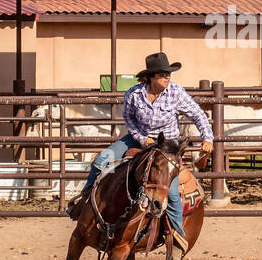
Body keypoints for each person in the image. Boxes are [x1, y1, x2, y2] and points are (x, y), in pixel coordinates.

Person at [68, 53, 213, 246]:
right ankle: (84, 202)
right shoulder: (134, 95)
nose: (167, 77)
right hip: (139, 139)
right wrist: (142, 138)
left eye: (169, 74)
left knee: (170, 190)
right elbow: (129, 119)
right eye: (163, 74)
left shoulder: (176, 93)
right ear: (151, 77)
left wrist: (207, 137)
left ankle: (177, 233)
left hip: (167, 145)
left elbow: (198, 114)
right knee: (101, 161)